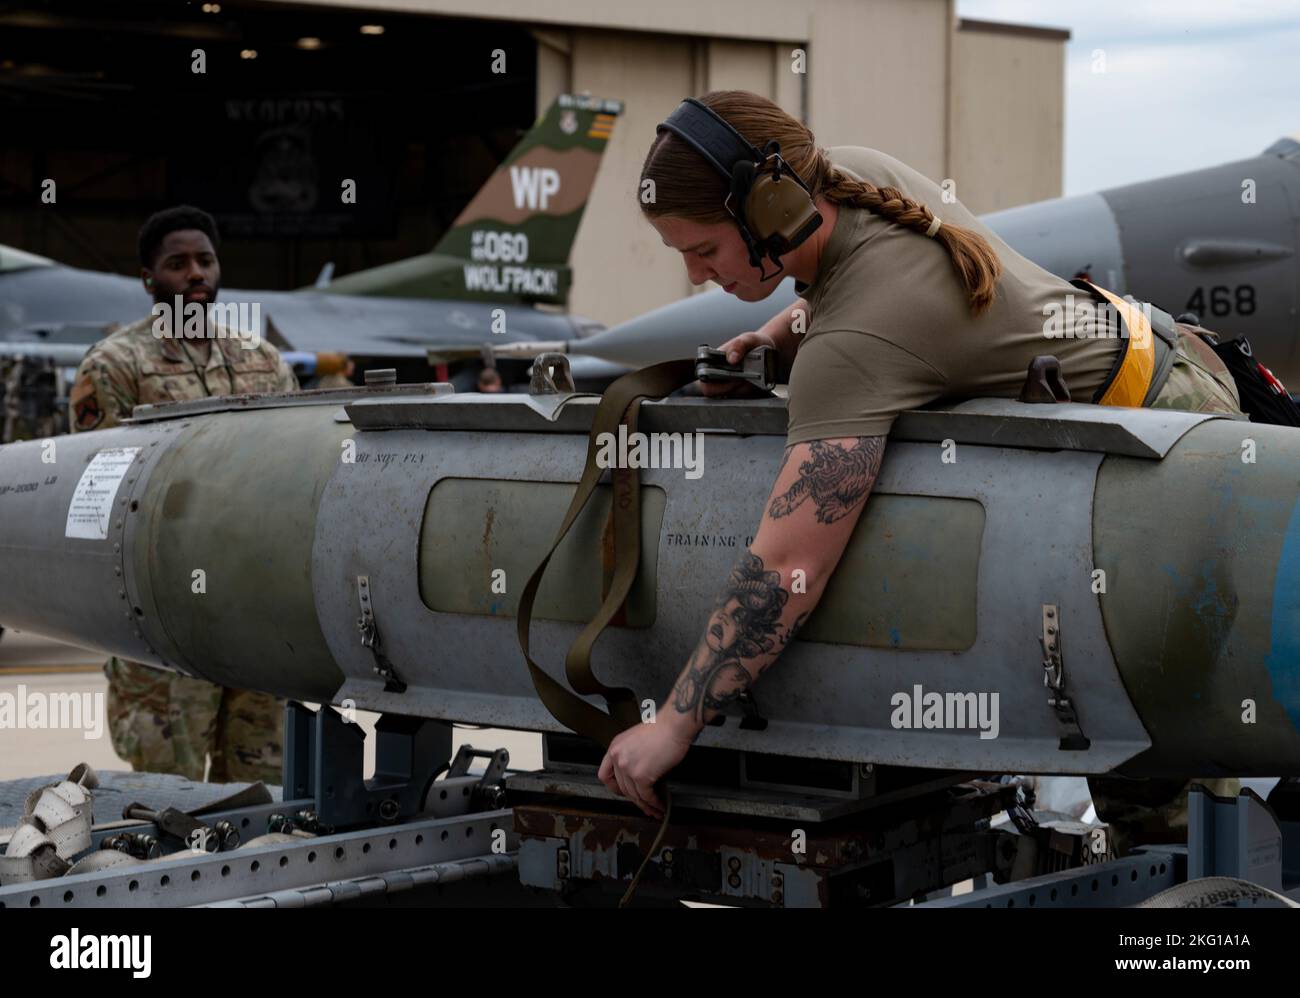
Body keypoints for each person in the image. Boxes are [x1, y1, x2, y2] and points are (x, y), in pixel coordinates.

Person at [596, 91, 1240, 851]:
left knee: (1158, 775)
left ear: (768, 211)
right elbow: (858, 294)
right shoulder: (849, 177)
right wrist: (779, 330)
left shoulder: (857, 344)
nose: (698, 274)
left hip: (1163, 450)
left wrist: (673, 725)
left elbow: (789, 568)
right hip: (1171, 374)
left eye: (704, 250)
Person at [69, 205, 297, 784]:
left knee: (261, 791)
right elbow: (98, 488)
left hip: (254, 612)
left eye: (205, 260)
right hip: (163, 618)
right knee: (165, 794)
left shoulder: (261, 360)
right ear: (149, 279)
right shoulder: (115, 365)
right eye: (177, 263)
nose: (195, 273)